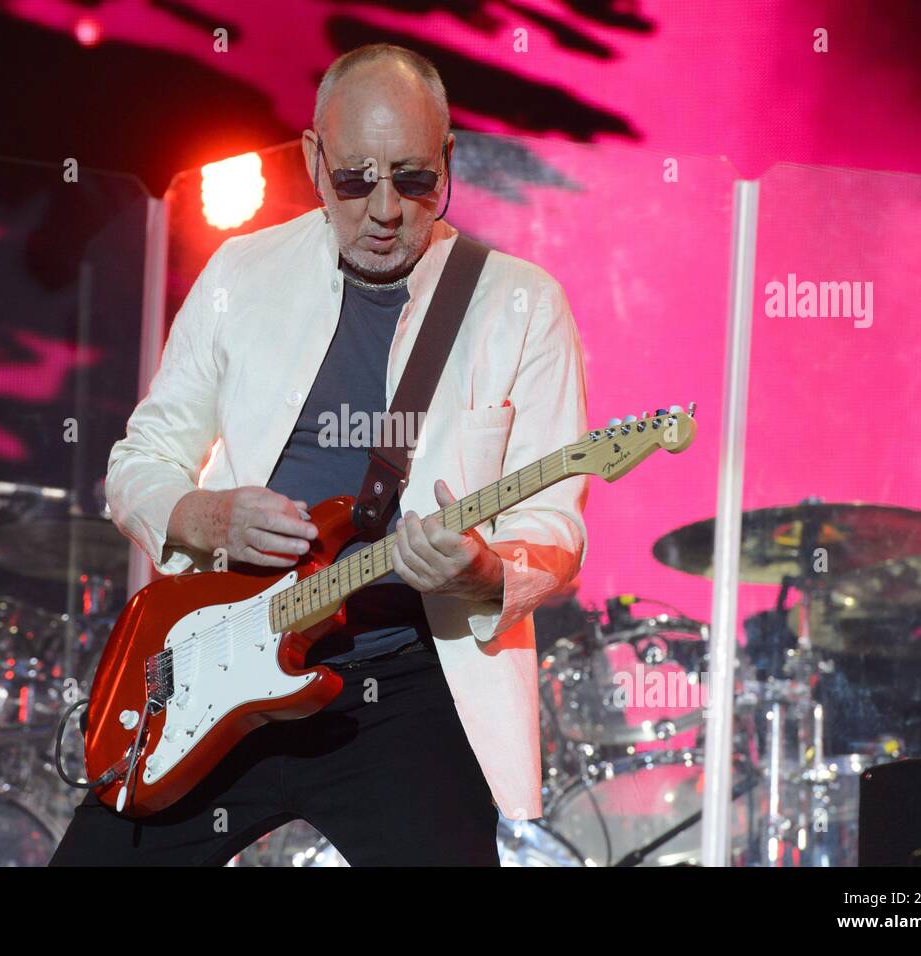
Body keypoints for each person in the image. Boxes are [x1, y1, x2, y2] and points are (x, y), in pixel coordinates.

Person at [49, 43, 588, 866]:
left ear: (448, 160)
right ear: (312, 159)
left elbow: (555, 528)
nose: (384, 209)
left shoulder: (519, 304)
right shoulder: (242, 272)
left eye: (413, 179)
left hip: (405, 681)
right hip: (222, 663)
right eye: (355, 178)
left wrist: (479, 569)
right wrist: (206, 515)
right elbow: (141, 459)